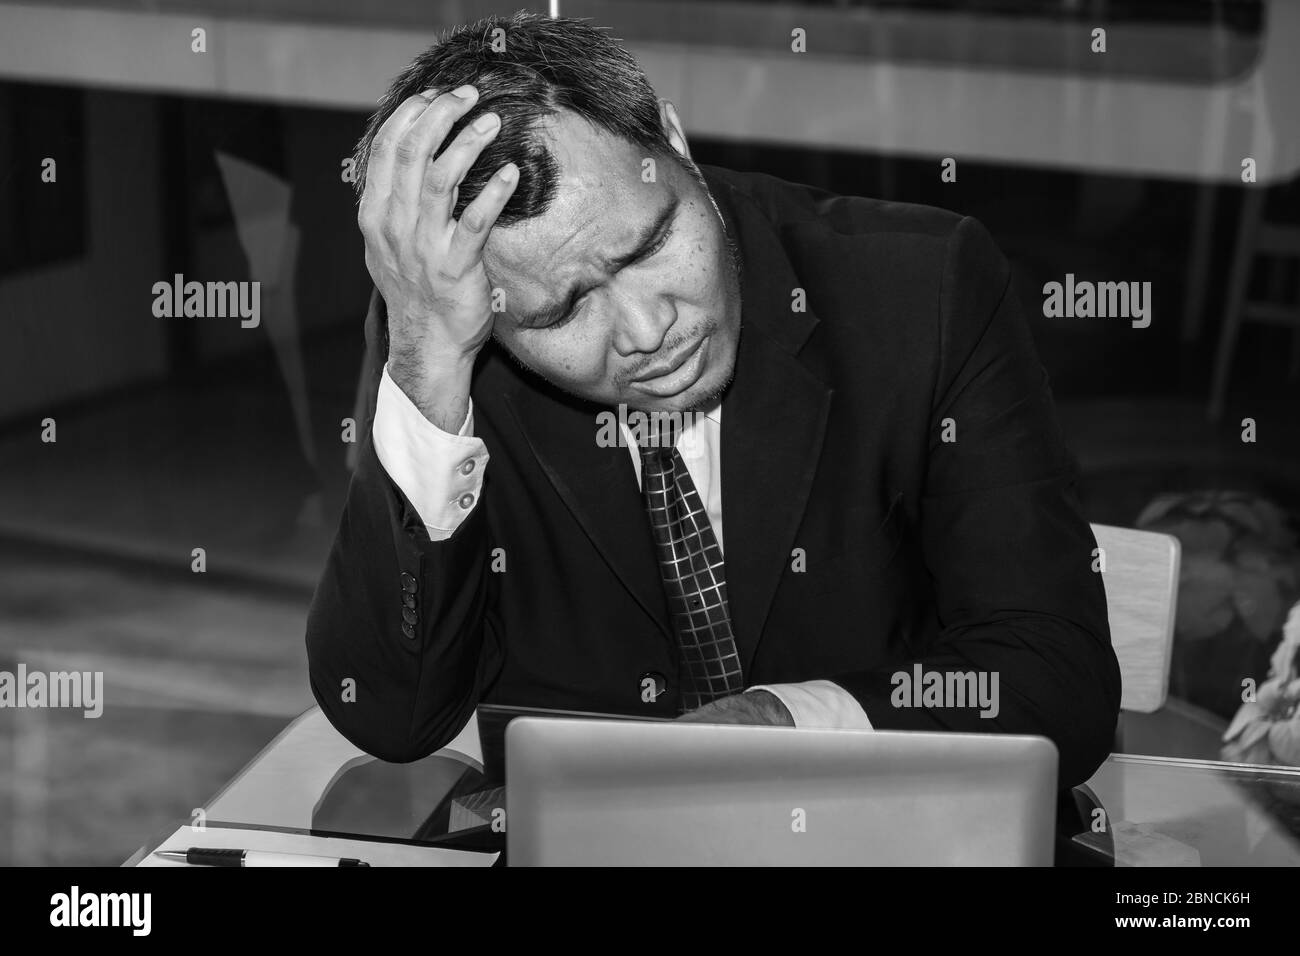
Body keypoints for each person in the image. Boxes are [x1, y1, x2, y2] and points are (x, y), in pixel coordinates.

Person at [306, 12, 1121, 789]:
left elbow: (1056, 678)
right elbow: (391, 717)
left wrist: (782, 724)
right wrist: (426, 363)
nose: (647, 328)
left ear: (672, 139)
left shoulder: (921, 288)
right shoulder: (448, 337)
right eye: (561, 311)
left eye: (651, 244)